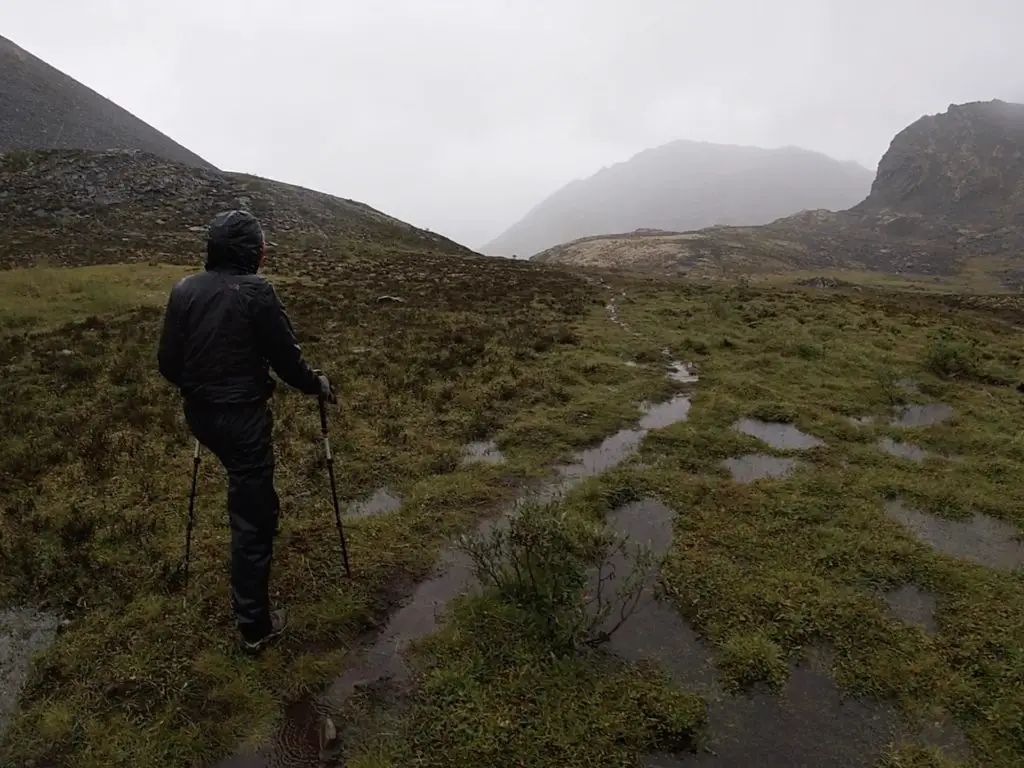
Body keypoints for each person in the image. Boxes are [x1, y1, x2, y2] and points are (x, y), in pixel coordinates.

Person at [157, 209, 335, 655]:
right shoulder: (258, 292)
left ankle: (263, 528)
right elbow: (287, 360)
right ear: (251, 251)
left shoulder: (185, 289)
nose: (264, 250)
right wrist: (316, 384)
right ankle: (255, 627)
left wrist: (202, 389)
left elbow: (168, 364)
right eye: (261, 244)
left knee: (251, 494)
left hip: (200, 415)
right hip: (242, 420)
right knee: (250, 514)